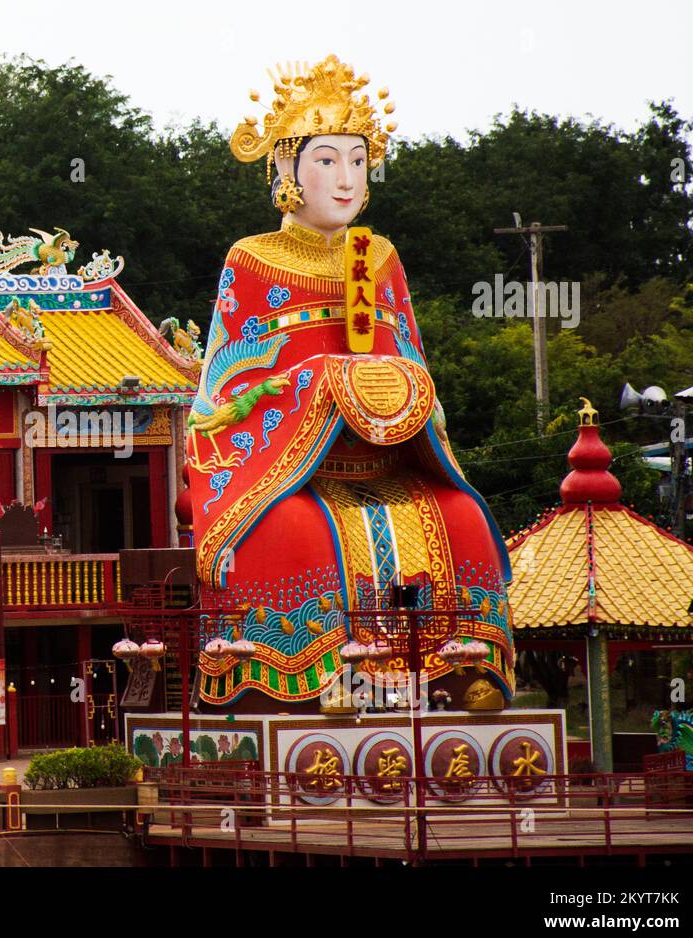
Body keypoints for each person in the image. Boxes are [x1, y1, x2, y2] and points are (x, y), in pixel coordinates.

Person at [188, 55, 514, 713]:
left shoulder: (379, 258)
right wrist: (324, 380)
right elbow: (223, 393)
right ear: (286, 171)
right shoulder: (250, 260)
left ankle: (462, 678)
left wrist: (398, 383)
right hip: (282, 471)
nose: (346, 179)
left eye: (359, 162)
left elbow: (412, 361)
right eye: (328, 160)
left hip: (385, 459)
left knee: (464, 519)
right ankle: (305, 683)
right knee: (296, 530)